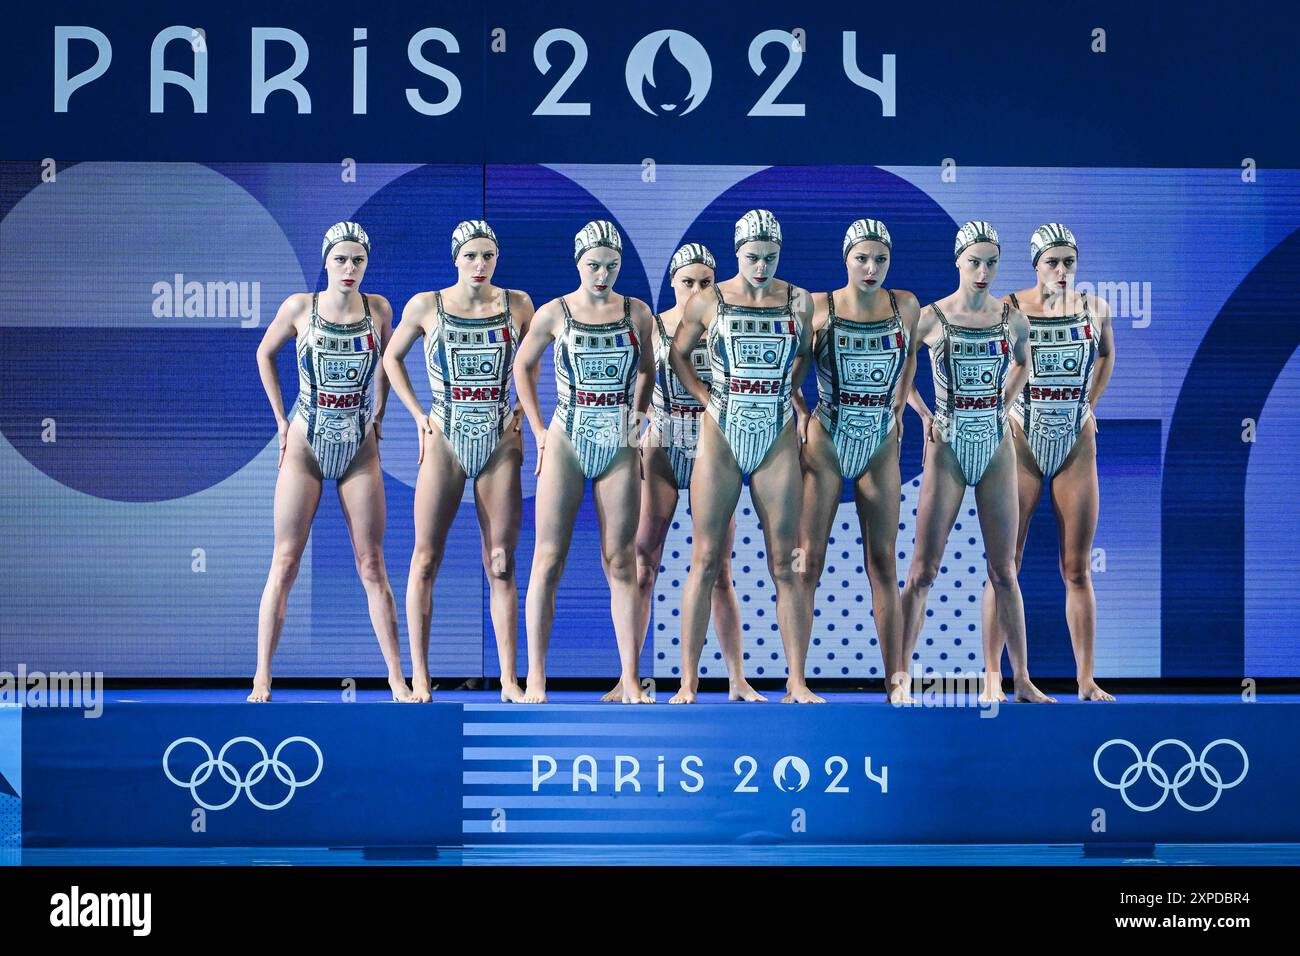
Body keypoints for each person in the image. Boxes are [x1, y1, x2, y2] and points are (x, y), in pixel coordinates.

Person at [250, 221, 411, 702]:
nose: (349, 268)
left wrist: (379, 411)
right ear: (325, 261)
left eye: (358, 260)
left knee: (372, 563)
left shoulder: (379, 308)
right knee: (285, 561)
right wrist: (280, 420)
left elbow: (387, 361)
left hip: (359, 448)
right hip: (305, 444)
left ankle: (397, 678)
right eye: (340, 259)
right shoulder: (300, 307)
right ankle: (262, 676)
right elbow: (264, 352)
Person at [900, 221, 1054, 703]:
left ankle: (1021, 679)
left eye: (991, 262)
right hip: (946, 446)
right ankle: (900, 678)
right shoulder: (929, 317)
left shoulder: (1012, 319)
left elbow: (1025, 363)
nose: (983, 271)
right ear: (957, 261)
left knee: (1004, 570)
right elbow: (900, 374)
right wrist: (926, 416)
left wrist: (1004, 405)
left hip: (995, 446)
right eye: (974, 262)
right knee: (923, 569)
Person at [604, 243, 765, 703]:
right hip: (663, 441)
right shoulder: (650, 327)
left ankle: (737, 678)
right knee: (642, 564)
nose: (696, 289)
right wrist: (632, 440)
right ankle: (629, 677)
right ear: (672, 283)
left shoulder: (725, 326)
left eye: (705, 283)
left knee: (718, 568)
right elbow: (629, 385)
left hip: (713, 446)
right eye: (687, 282)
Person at [382, 221, 535, 702]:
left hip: (498, 441)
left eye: (488, 256)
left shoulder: (519, 304)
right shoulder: (426, 305)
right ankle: (420, 676)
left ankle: (510, 679)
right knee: (425, 559)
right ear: (455, 259)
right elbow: (391, 358)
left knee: (502, 563)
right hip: (445, 437)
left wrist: (525, 415)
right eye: (470, 256)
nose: (480, 265)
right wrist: (418, 416)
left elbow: (536, 359)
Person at [669, 210, 818, 703]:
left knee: (787, 562)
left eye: (770, 257)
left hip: (775, 434)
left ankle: (796, 681)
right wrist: (708, 399)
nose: (761, 265)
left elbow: (804, 356)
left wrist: (782, 394)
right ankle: (688, 682)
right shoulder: (708, 300)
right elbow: (678, 355)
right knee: (706, 558)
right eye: (753, 257)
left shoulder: (798, 300)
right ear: (737, 254)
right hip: (721, 435)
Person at [512, 221, 657, 703]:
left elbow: (648, 371)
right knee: (548, 559)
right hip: (567, 439)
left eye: (612, 266)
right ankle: (536, 677)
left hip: (617, 442)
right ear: (578, 263)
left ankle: (631, 679)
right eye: (593, 265)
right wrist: (536, 429)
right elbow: (522, 365)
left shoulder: (637, 312)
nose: (602, 275)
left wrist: (635, 428)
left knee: (621, 561)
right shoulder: (555, 313)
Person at [982, 224, 1116, 701]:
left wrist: (1090, 404)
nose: (1061, 271)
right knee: (1006, 563)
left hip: (1075, 444)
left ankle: (1085, 680)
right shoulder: (1008, 309)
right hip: (1020, 439)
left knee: (1077, 568)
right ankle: (994, 677)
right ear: (1035, 265)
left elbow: (1106, 354)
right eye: (1052, 262)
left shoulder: (1094, 309)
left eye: (1068, 263)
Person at [796, 219, 921, 701]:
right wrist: (805, 414)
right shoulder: (819, 307)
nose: (871, 268)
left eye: (881, 259)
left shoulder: (904, 305)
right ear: (845, 258)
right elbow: (792, 372)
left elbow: (908, 358)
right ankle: (797, 680)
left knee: (883, 563)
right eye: (861, 258)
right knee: (809, 563)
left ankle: (897, 682)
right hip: (828, 437)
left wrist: (902, 402)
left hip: (880, 441)